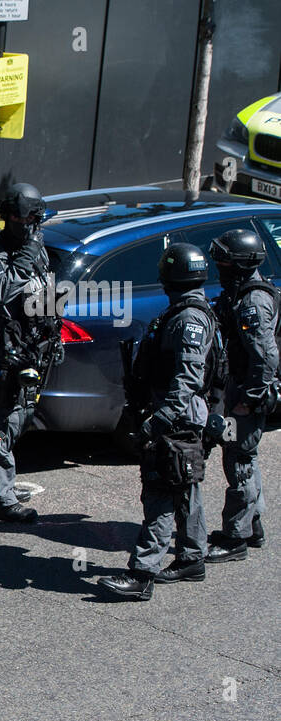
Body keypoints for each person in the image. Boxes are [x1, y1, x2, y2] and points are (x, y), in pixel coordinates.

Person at [100, 244, 215, 599]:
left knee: (162, 491)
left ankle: (142, 574)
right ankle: (193, 557)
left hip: (176, 418)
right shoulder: (184, 313)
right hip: (183, 415)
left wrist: (160, 419)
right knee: (185, 486)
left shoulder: (188, 319)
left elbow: (188, 377)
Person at [0, 182, 57, 522]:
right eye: (29, 221)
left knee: (20, 416)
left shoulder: (36, 247)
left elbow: (46, 290)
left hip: (34, 346)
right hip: (7, 350)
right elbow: (5, 293)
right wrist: (24, 257)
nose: (33, 228)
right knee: (8, 419)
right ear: (11, 218)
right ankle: (2, 500)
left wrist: (53, 332)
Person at [205, 229, 279, 562]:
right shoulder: (240, 294)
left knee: (240, 461)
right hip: (241, 386)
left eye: (223, 259)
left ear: (239, 263)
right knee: (242, 456)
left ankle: (235, 538)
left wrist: (248, 398)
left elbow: (265, 356)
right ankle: (253, 526)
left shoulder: (253, 301)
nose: (218, 264)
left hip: (247, 392)